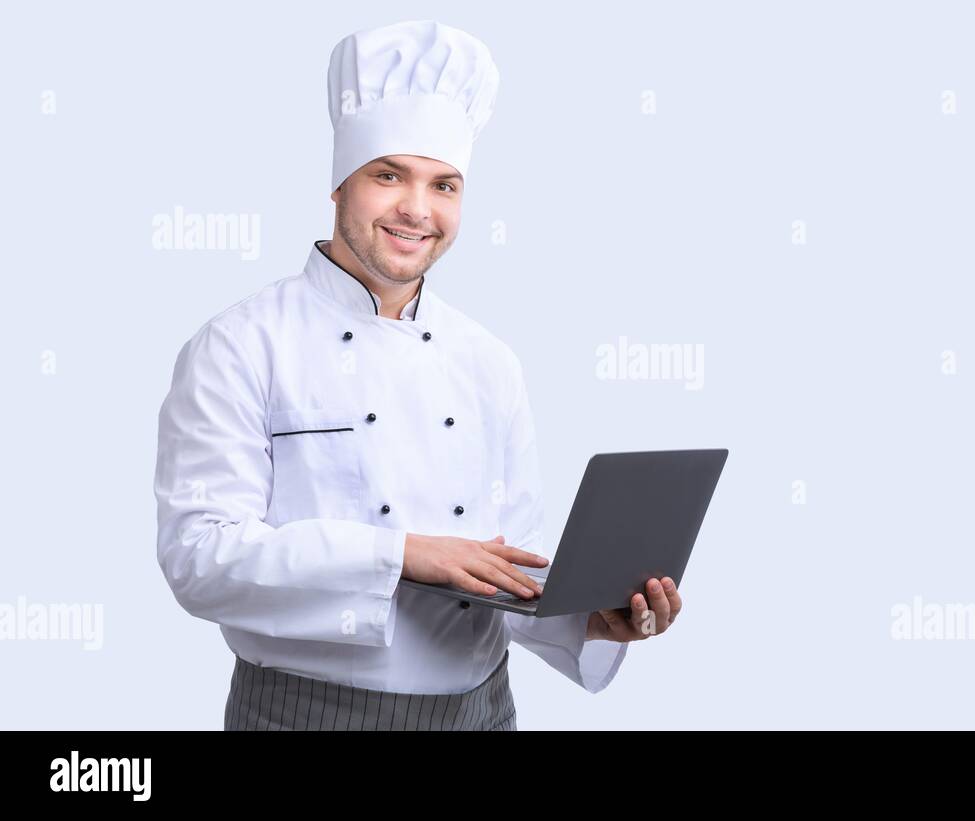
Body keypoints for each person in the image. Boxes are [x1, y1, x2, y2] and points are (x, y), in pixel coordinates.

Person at [153, 20, 682, 732]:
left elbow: (508, 566)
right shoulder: (240, 344)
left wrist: (592, 618)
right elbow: (199, 557)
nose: (417, 209)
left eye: (444, 184)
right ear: (339, 184)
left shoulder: (489, 360)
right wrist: (399, 555)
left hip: (483, 710)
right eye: (389, 174)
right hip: (309, 716)